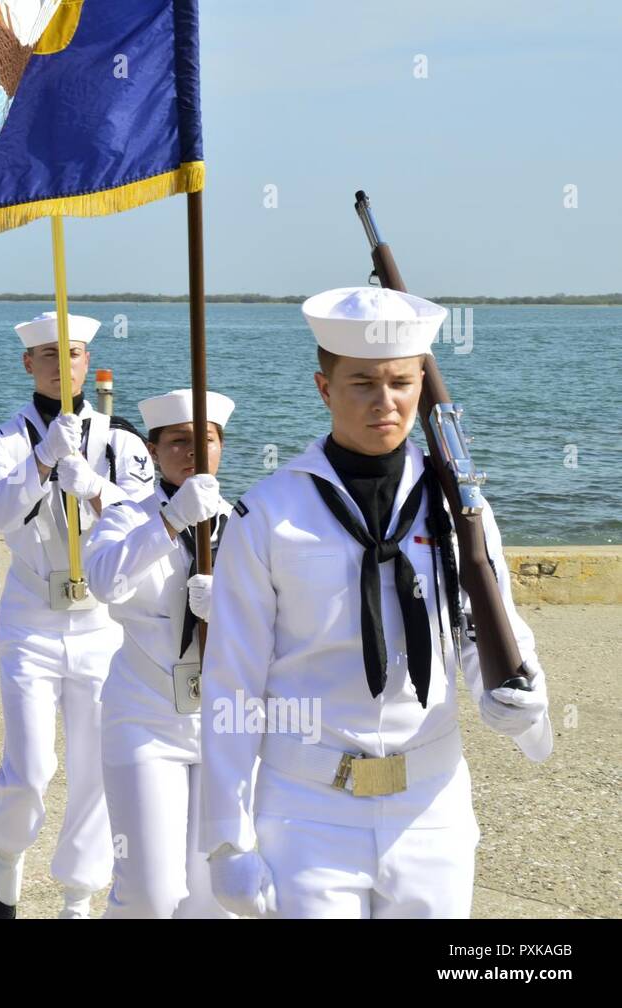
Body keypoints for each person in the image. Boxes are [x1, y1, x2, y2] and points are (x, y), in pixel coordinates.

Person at [200, 286, 553, 919]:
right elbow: (232, 681)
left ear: (421, 385)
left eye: (401, 382)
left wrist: (517, 698)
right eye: (362, 382)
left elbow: (483, 625)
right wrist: (227, 837)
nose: (385, 402)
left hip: (431, 803)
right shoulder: (271, 514)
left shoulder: (459, 505)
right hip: (307, 808)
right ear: (324, 387)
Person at [0, 311, 155, 919]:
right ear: (29, 364)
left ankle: (79, 894)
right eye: (48, 356)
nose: (61, 366)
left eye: (72, 354)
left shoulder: (123, 441)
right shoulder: (2, 441)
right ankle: (7, 857)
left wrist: (94, 488)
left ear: (87, 361)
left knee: (95, 769)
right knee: (30, 764)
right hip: (32, 618)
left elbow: (145, 523)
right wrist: (42, 464)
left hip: (101, 622)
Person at [83, 388, 236, 918]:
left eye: (207, 441)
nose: (194, 453)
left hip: (223, 721)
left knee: (216, 892)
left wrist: (234, 609)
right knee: (149, 892)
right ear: (152, 450)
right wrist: (169, 524)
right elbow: (105, 583)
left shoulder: (244, 525)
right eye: (178, 442)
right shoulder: (126, 517)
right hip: (145, 716)